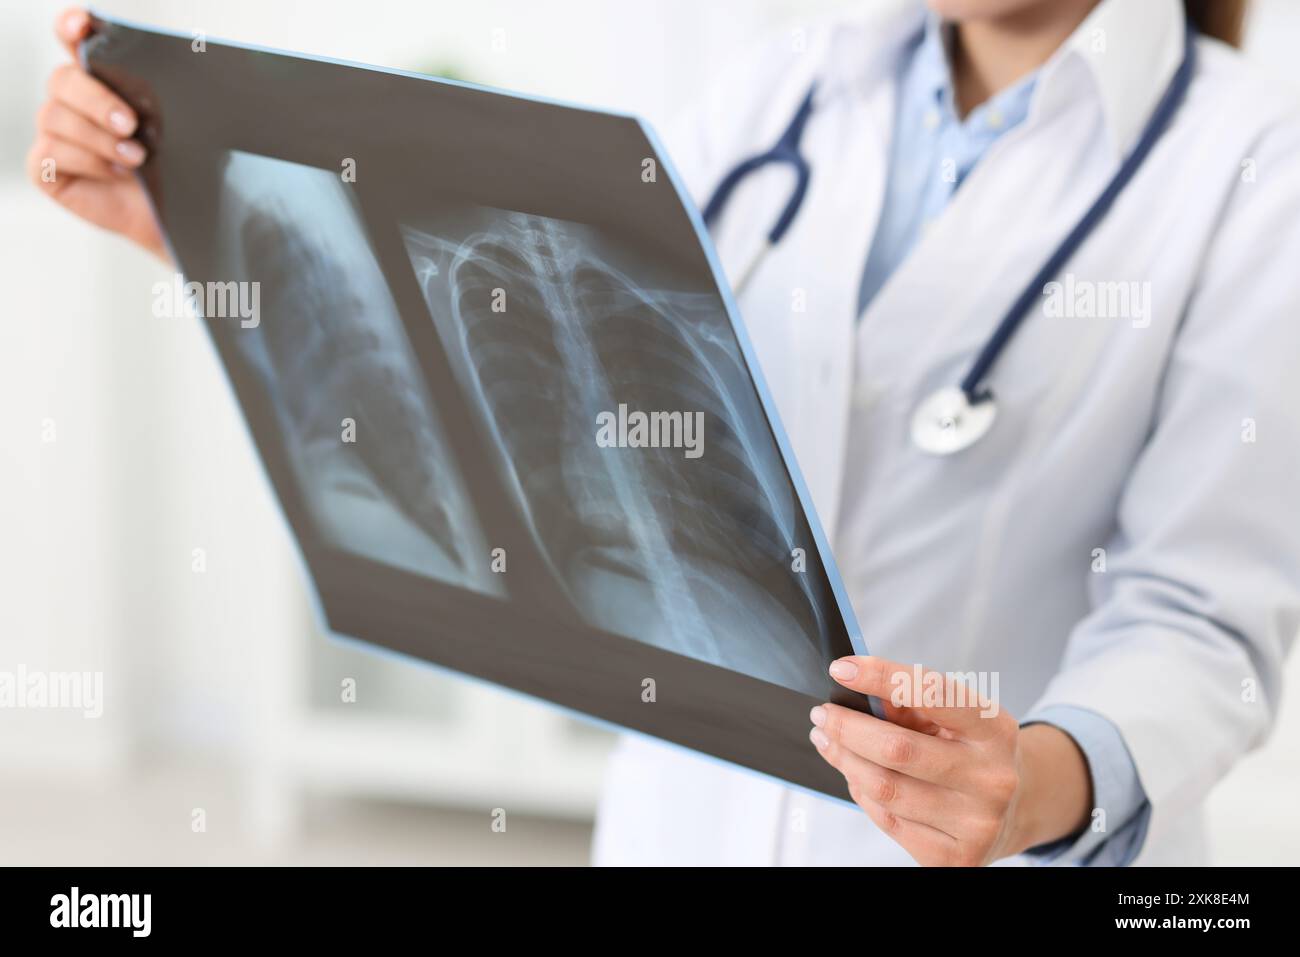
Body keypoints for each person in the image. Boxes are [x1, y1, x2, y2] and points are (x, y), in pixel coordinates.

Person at [30, 0, 1300, 867]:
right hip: (685, 819)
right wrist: (189, 221)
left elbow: (1202, 619)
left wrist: (1029, 781)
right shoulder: (790, 84)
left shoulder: (1255, 164)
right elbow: (574, 385)